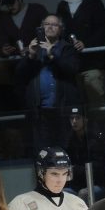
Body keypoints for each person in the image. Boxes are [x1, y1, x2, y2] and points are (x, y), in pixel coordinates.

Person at [15, 14, 80, 149]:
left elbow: (72, 69)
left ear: (61, 29)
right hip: (39, 112)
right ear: (41, 27)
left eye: (54, 25)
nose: (50, 27)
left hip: (62, 110)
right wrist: (31, 55)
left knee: (65, 149)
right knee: (42, 152)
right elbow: (19, 74)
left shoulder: (67, 48)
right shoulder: (34, 48)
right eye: (46, 24)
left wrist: (52, 55)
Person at [55, 0, 105, 112]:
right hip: (71, 65)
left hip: (92, 63)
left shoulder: (94, 1)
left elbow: (103, 29)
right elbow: (59, 33)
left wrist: (87, 44)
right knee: (77, 107)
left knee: (97, 104)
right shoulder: (62, 6)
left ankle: (100, 127)